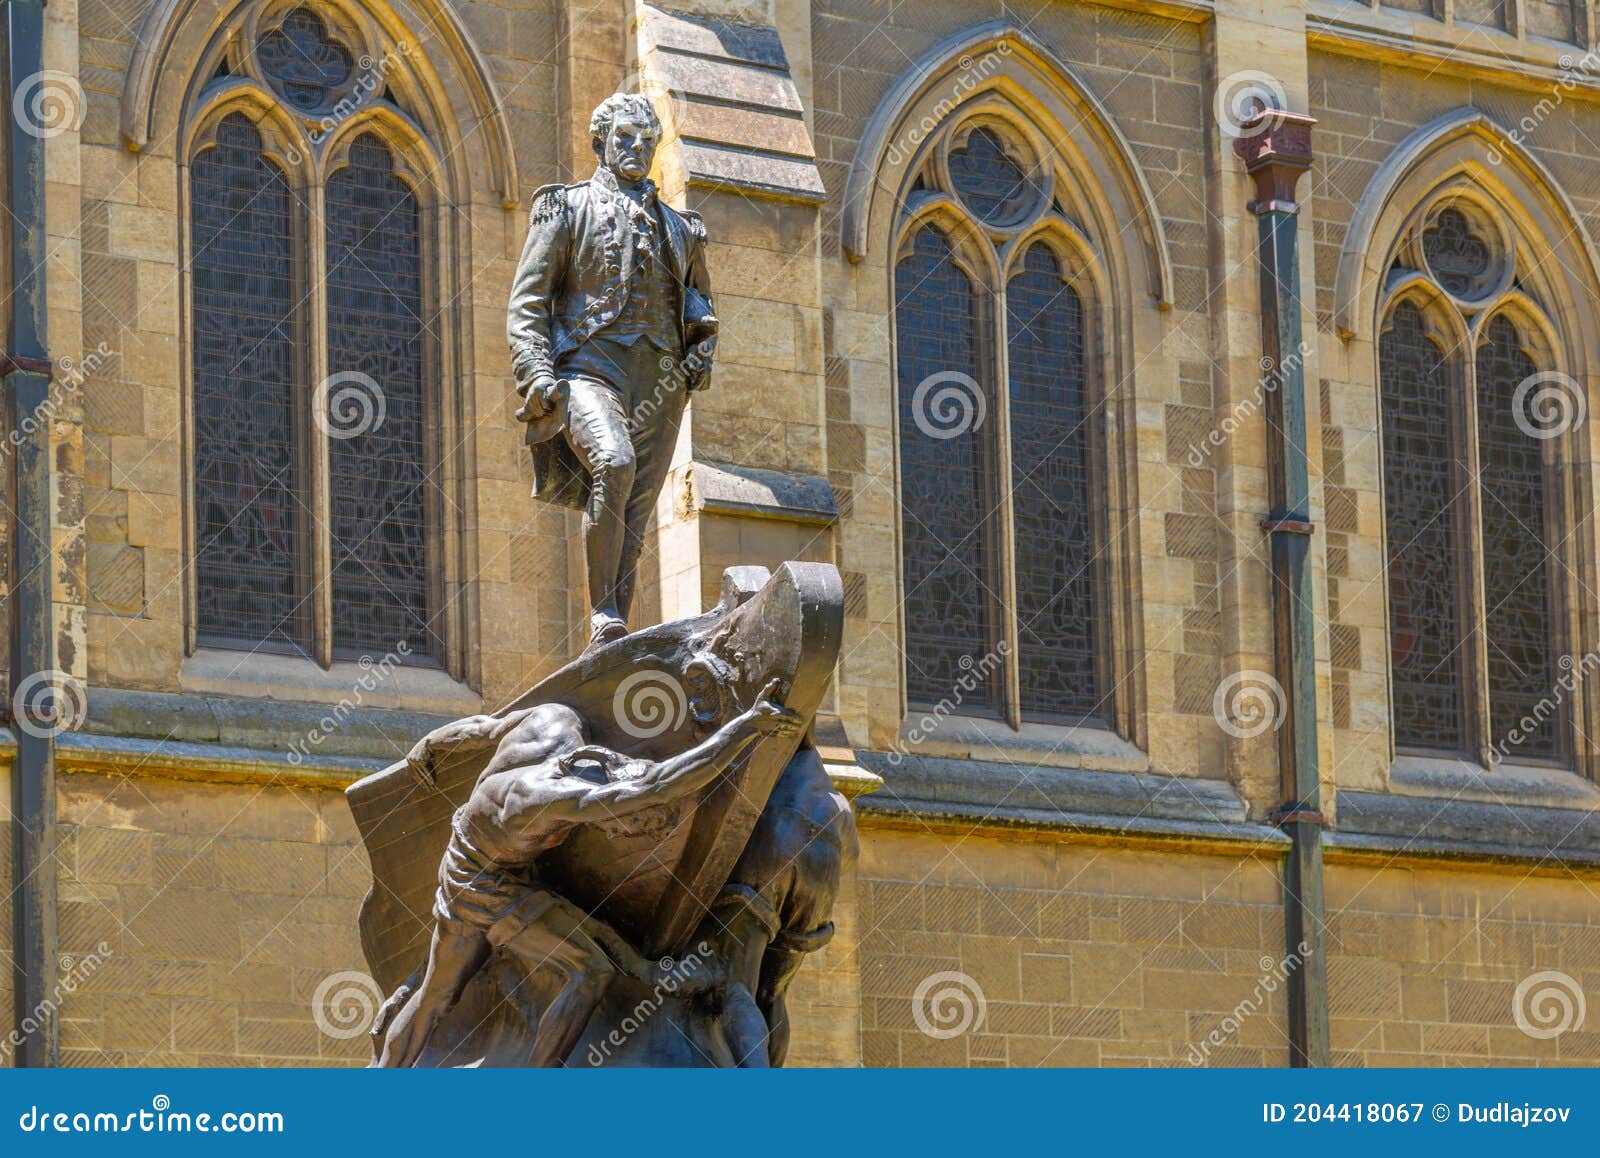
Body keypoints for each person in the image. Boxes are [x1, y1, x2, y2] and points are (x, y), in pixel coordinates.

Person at [375, 680, 798, 1068]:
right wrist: (748, 727)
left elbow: (485, 727)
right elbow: (658, 787)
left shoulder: (555, 721)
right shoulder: (554, 800)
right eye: (621, 825)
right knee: (574, 973)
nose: (617, 831)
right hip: (480, 890)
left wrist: (428, 744)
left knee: (437, 994)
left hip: (493, 864)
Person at [507, 92, 717, 647]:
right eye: (626, 138)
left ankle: (616, 630)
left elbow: (700, 304)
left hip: (661, 378)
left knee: (639, 506)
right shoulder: (566, 208)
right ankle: (603, 613)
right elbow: (529, 301)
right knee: (614, 462)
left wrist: (701, 351)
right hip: (590, 368)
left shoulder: (681, 227)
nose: (637, 149)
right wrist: (536, 373)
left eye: (648, 142)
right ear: (601, 141)